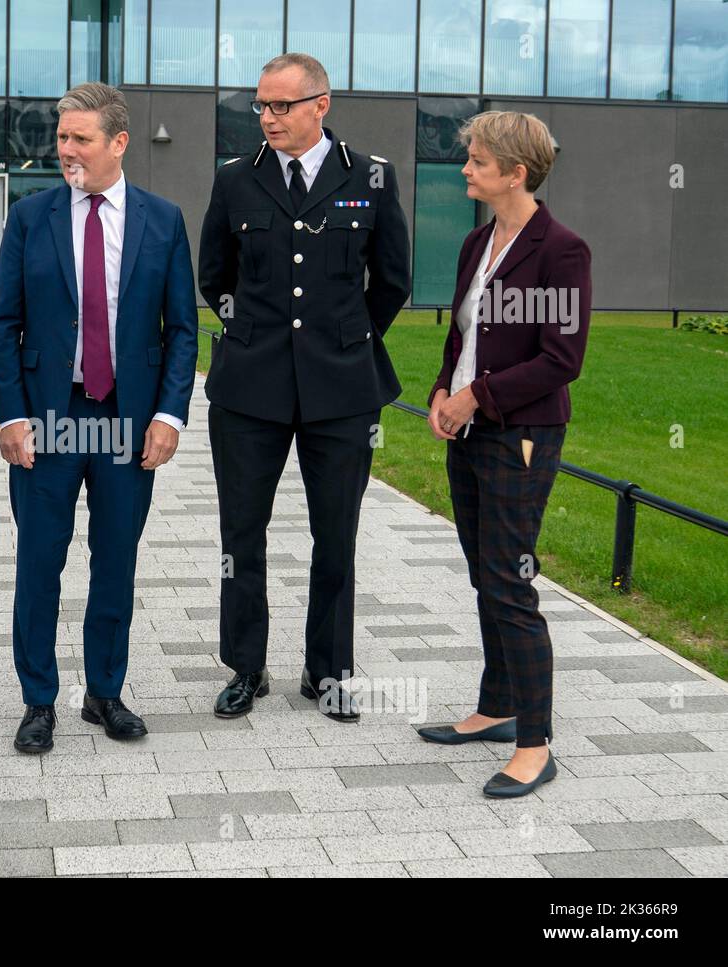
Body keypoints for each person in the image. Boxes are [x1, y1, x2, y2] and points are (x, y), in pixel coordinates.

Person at [0, 82, 198, 754]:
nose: (67, 150)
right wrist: (11, 416)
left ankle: (104, 692)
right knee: (39, 562)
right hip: (48, 421)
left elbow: (183, 330)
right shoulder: (30, 217)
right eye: (61, 138)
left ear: (119, 142)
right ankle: (38, 699)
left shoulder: (163, 222)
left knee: (116, 562)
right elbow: (3, 324)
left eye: (80, 138)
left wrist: (169, 415)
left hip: (126, 423)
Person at [198, 53, 411, 721]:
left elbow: (394, 279)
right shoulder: (236, 180)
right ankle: (245, 667)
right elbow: (215, 277)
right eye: (260, 105)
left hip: (342, 390)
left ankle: (330, 672)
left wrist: (346, 340)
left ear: (321, 104)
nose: (266, 118)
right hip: (248, 391)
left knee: (336, 536)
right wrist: (256, 336)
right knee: (242, 535)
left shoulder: (372, 178)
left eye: (281, 106)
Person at [418, 111, 591, 799]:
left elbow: (562, 358)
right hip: (468, 431)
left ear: (516, 173)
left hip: (520, 434)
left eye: (479, 162)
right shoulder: (477, 242)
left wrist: (476, 398)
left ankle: (534, 743)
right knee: (485, 574)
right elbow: (461, 336)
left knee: (510, 582)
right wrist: (441, 390)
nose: (466, 169)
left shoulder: (561, 249)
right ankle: (497, 705)